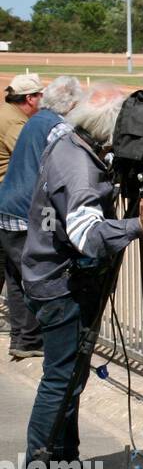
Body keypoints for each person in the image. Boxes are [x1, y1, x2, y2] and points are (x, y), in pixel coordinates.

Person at [21, 83, 143, 469]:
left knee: (71, 378)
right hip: (60, 285)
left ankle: (64, 467)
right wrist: (138, 225)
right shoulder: (80, 168)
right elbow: (87, 235)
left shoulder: (69, 142)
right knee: (61, 380)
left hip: (51, 276)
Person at [0, 76, 83, 359]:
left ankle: (25, 341)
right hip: (26, 212)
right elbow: (66, 168)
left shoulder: (34, 120)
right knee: (39, 275)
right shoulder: (56, 127)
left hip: (8, 207)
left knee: (16, 276)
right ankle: (44, 340)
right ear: (71, 104)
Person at [0, 73, 45, 358]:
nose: (41, 101)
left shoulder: (6, 113)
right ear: (29, 98)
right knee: (23, 272)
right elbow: (31, 156)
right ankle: (27, 338)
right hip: (10, 201)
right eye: (39, 96)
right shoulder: (14, 121)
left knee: (11, 271)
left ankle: (24, 339)